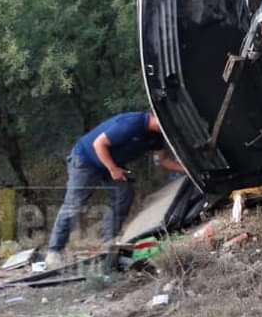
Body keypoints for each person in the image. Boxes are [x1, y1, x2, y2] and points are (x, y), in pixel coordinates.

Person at [45, 110, 183, 266]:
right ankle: (54, 251)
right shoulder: (132, 123)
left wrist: (186, 169)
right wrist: (113, 169)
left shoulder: (157, 136)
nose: (166, 126)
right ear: (154, 115)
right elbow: (99, 144)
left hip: (111, 163)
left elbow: (163, 161)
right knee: (74, 204)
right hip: (86, 160)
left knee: (124, 195)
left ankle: (108, 242)